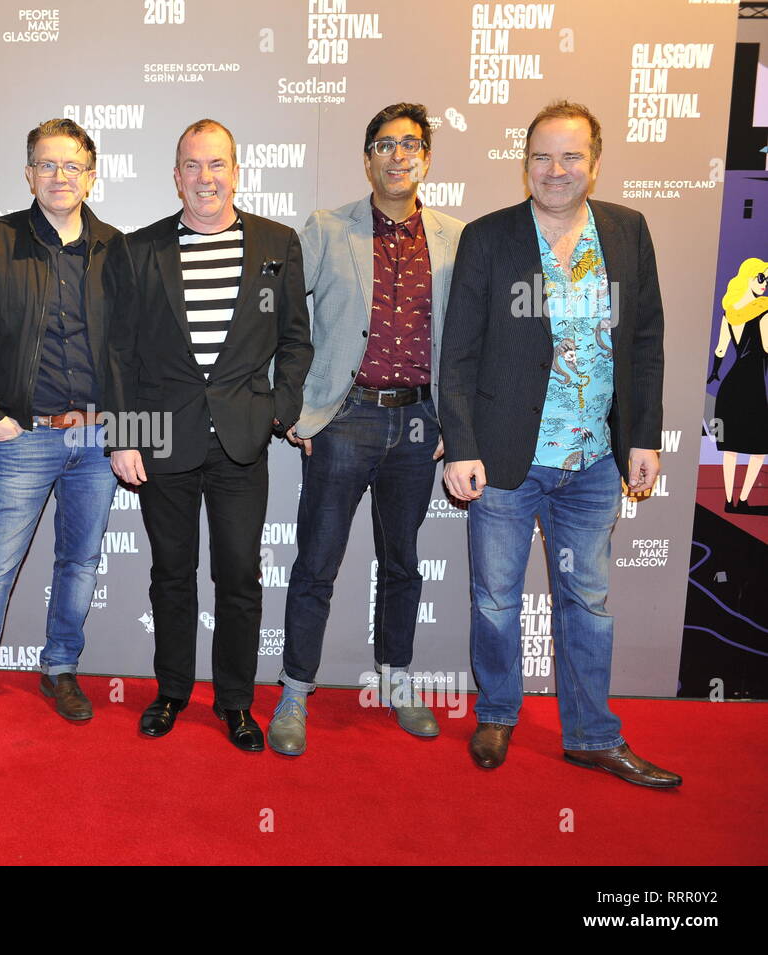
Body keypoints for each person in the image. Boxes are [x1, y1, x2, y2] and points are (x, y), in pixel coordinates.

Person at [439, 100, 680, 787]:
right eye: (542, 156)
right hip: (507, 459)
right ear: (525, 165)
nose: (556, 169)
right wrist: (461, 444)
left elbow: (646, 340)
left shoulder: (628, 232)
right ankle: (497, 713)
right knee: (495, 599)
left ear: (595, 163)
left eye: (571, 156)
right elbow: (457, 353)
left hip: (596, 461)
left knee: (589, 601)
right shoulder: (489, 237)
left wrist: (643, 437)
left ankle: (592, 734)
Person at [110, 118, 312, 752]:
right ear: (175, 176)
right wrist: (125, 435)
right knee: (171, 573)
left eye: (216, 164)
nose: (205, 178)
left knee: (240, 577)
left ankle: (235, 702)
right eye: (192, 166)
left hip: (242, 441)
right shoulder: (138, 250)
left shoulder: (277, 244)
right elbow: (120, 354)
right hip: (164, 438)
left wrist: (278, 410)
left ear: (236, 170)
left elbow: (296, 340)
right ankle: (171, 691)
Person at [270, 103, 465, 756]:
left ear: (427, 158)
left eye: (411, 144)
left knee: (403, 562)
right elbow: (281, 322)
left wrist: (454, 424)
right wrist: (293, 405)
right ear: (367, 159)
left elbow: (467, 341)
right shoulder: (326, 229)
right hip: (344, 418)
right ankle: (295, 690)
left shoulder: (455, 238)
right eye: (384, 144)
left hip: (419, 420)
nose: (398, 155)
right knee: (317, 563)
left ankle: (397, 679)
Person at [0, 119, 122, 758]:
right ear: (28, 173)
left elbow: (130, 348)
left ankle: (61, 667)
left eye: (72, 165)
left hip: (96, 439)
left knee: (80, 562)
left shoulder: (115, 248)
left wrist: (119, 421)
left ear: (91, 175)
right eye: (47, 164)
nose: (60, 176)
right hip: (24, 436)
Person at [708, 258, 768, 512]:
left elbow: (721, 349)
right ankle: (742, 500)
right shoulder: (764, 311)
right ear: (748, 277)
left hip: (730, 386)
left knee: (730, 448)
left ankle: (729, 501)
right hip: (752, 386)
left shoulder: (729, 314)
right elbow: (766, 348)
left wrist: (715, 373)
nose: (765, 285)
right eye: (762, 278)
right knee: (759, 449)